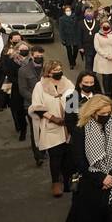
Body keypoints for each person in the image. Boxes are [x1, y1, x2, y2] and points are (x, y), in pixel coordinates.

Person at [29, 60, 75, 197]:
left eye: (60, 69)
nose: (58, 72)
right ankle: (56, 182)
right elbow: (37, 107)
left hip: (67, 127)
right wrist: (53, 118)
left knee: (68, 156)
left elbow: (74, 102)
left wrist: (69, 117)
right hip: (52, 126)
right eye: (55, 70)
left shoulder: (68, 84)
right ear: (48, 72)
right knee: (55, 156)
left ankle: (67, 182)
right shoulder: (40, 86)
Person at [92, 21, 112, 98]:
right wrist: (106, 55)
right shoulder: (97, 35)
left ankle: (111, 93)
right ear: (101, 26)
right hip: (103, 59)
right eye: (104, 26)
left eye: (107, 25)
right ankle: (107, 94)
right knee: (106, 77)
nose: (106, 27)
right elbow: (97, 47)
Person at [58, 1, 82, 70]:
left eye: (69, 10)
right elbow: (61, 29)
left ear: (71, 11)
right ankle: (71, 63)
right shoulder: (62, 19)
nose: (68, 12)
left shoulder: (75, 17)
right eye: (67, 11)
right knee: (69, 50)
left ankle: (73, 59)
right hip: (67, 36)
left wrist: (79, 36)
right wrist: (62, 39)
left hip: (75, 36)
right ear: (64, 11)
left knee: (75, 50)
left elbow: (78, 27)